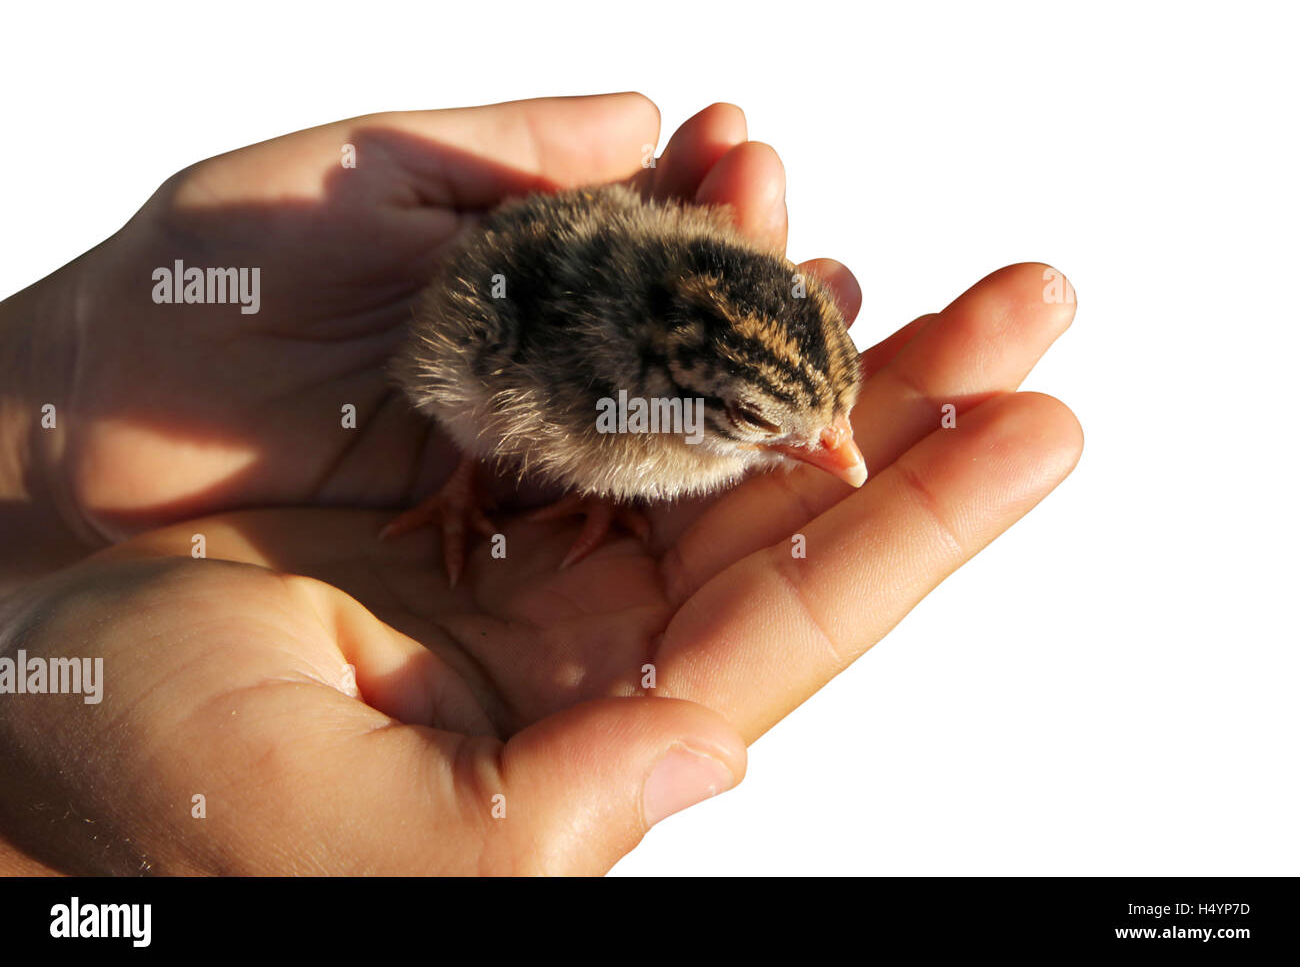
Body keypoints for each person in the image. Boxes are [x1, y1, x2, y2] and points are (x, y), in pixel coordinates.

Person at [0, 94, 1081, 875]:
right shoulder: (573, 373)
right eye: (773, 426)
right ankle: (473, 486)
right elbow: (490, 350)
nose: (839, 459)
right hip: (530, 357)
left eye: (828, 417)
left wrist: (46, 392)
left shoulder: (684, 406)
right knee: (493, 390)